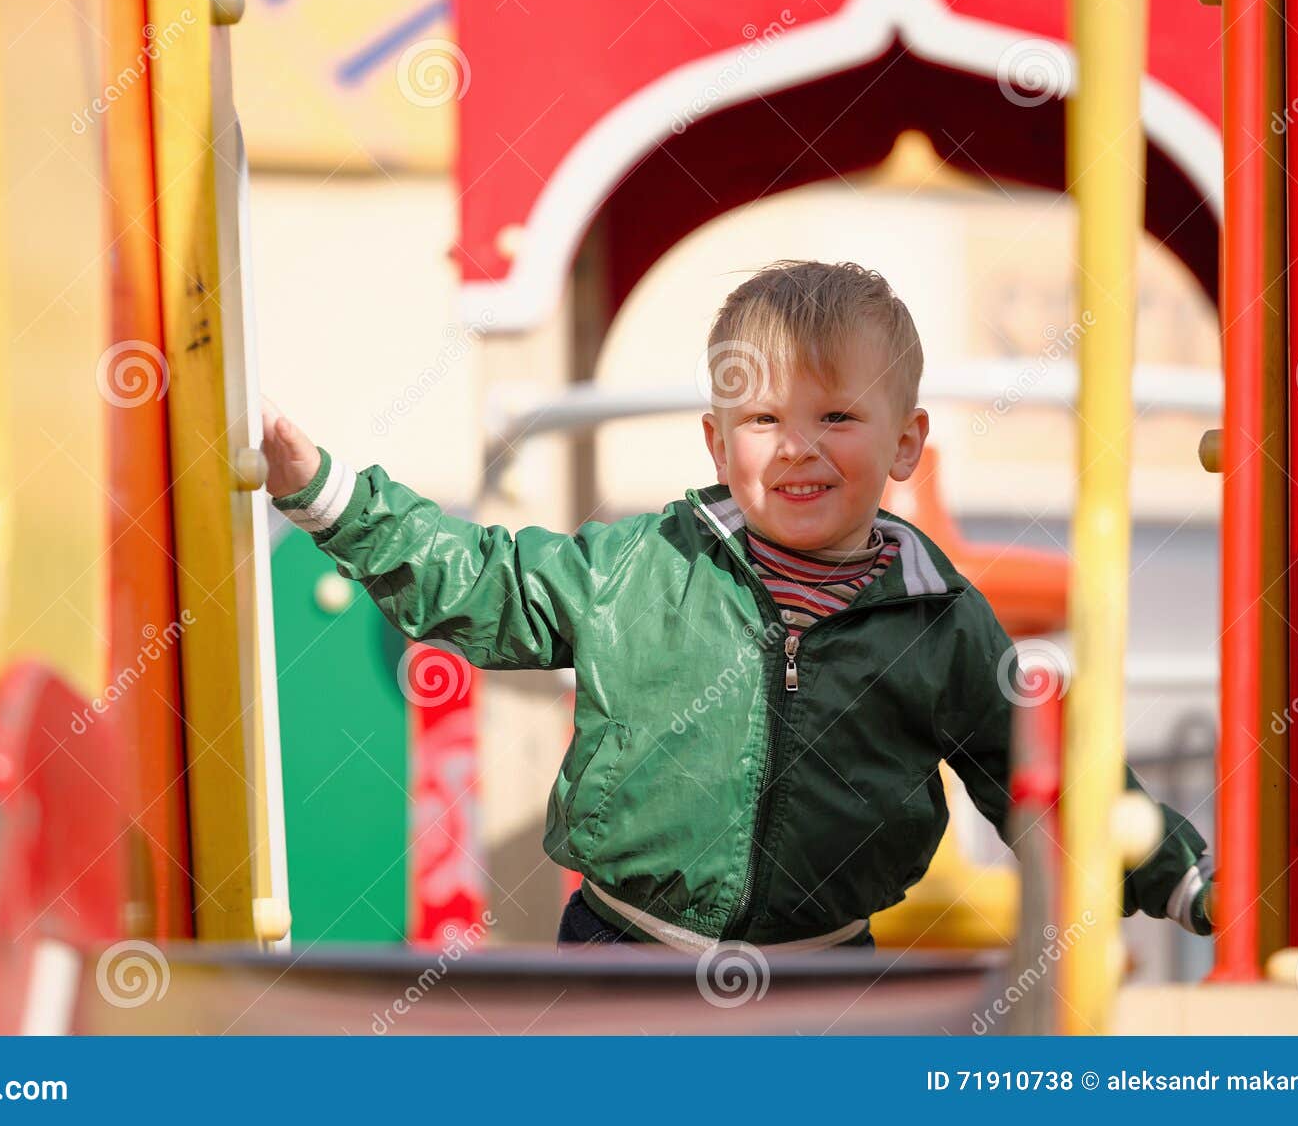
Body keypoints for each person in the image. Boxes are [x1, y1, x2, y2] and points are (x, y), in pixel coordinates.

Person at [262, 260, 1214, 950]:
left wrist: (1186, 878)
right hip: (625, 948)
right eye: (764, 419)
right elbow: (483, 578)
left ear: (904, 442)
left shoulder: (938, 619)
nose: (797, 446)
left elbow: (1042, 774)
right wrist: (331, 496)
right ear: (718, 444)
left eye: (836, 416)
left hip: (827, 967)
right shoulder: (640, 566)